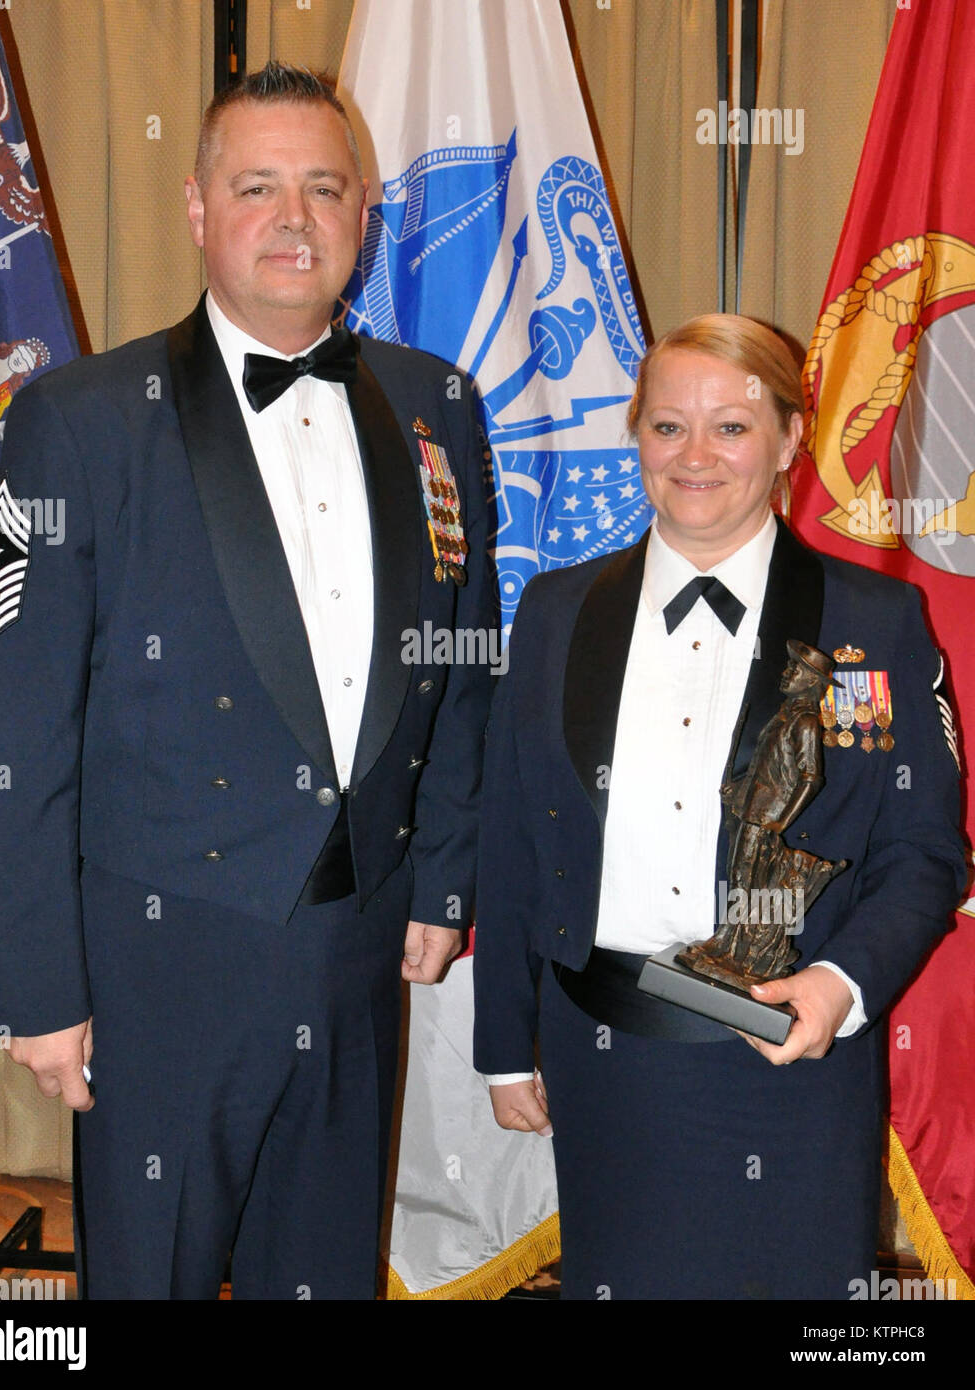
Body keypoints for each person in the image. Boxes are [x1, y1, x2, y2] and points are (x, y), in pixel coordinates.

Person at [0, 63, 493, 1300]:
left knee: (324, 1273)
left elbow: (461, 656)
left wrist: (443, 871)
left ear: (363, 214)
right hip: (162, 961)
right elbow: (14, 724)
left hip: (358, 941)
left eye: (322, 187)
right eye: (256, 187)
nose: (292, 218)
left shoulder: (432, 406)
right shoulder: (77, 420)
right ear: (198, 208)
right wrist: (36, 988)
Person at [473, 314, 966, 1300]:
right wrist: (499, 1048)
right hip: (603, 1053)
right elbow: (513, 826)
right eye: (665, 427)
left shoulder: (873, 622)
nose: (694, 455)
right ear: (635, 436)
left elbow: (923, 852)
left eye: (730, 427)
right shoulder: (557, 610)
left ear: (788, 439)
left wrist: (837, 983)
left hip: (788, 1055)